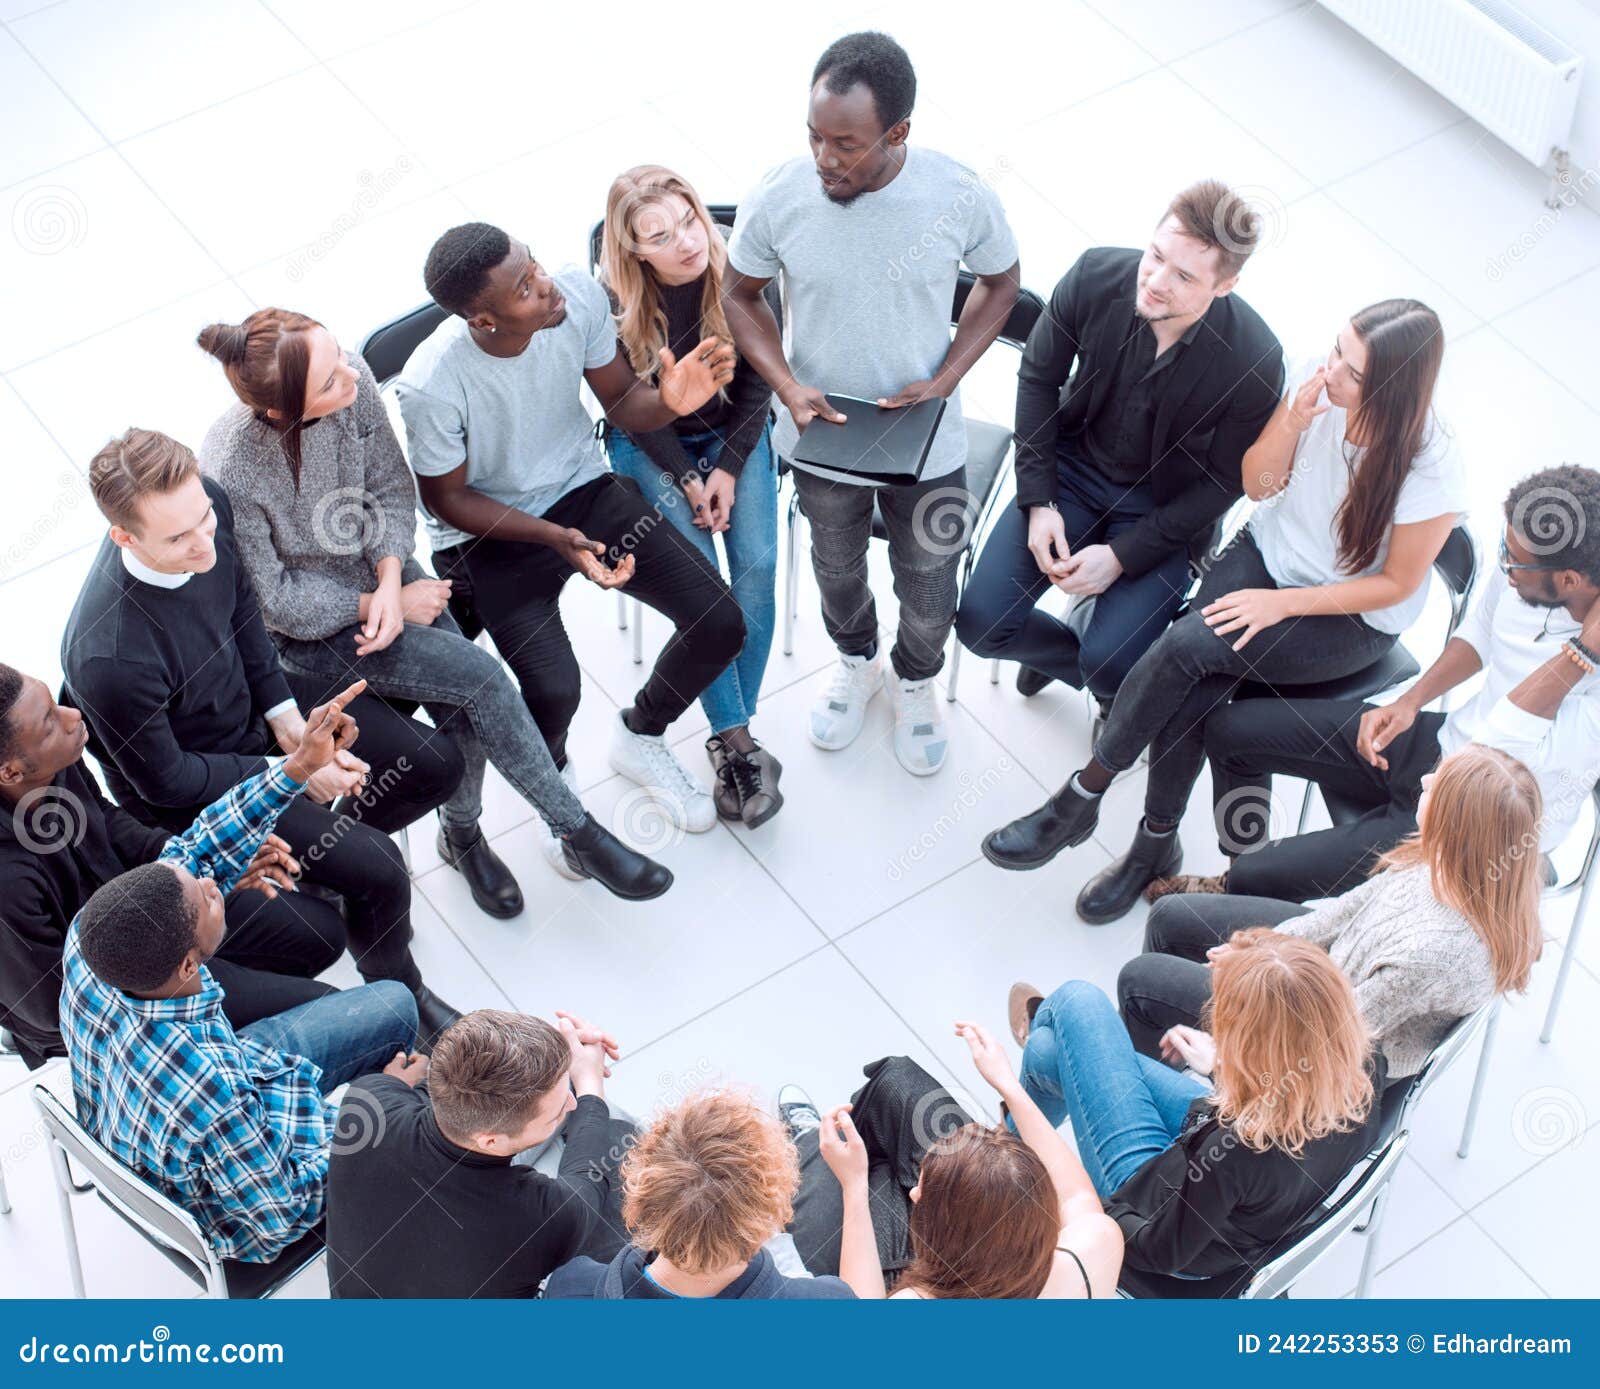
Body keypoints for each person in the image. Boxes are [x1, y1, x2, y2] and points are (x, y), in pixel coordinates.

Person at [983, 301, 1464, 924]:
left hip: (1348, 617)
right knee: (1197, 677)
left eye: (1354, 369)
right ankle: (1153, 843)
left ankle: (1085, 796)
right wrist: (1294, 420)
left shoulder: (1432, 464)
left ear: (1394, 390)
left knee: (1189, 651)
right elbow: (1257, 485)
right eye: (1337, 347)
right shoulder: (1320, 381)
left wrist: (1280, 605)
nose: (1334, 368)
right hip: (1268, 555)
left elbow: (1397, 584)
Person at [197, 308, 673, 908]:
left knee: (465, 714)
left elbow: (393, 490)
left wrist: (394, 577)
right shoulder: (234, 465)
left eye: (341, 353)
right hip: (309, 633)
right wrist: (377, 599)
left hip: (386, 579)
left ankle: (461, 836)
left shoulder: (355, 377)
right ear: (280, 411)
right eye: (328, 381)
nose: (351, 375)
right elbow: (276, 599)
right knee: (480, 677)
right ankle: (574, 829)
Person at [59, 429, 461, 1041]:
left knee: (431, 762)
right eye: (179, 537)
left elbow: (243, 610)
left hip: (256, 718)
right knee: (380, 867)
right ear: (124, 537)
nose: (205, 542)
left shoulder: (205, 507)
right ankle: (398, 985)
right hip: (201, 787)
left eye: (204, 518)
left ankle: (331, 870)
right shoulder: (108, 656)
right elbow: (166, 783)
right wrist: (291, 771)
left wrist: (287, 723)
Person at [724, 31, 1021, 777]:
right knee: (836, 567)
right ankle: (857, 661)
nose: (825, 158)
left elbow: (1002, 282)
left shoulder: (958, 194)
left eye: (846, 144)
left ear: (898, 134)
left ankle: (916, 680)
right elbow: (738, 293)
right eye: (815, 137)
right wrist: (786, 383)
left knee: (928, 582)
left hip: (924, 440)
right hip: (823, 435)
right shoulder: (781, 191)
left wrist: (948, 375)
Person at [397, 221, 746, 838]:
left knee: (720, 620)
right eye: (526, 288)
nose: (548, 286)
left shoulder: (574, 298)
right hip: (492, 531)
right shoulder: (432, 383)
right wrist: (554, 539)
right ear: (484, 320)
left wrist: (668, 402)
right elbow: (448, 499)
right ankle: (556, 786)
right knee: (555, 691)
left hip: (582, 490)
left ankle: (641, 733)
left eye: (534, 266)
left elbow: (620, 401)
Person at [59, 682, 427, 1264]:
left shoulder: (91, 940)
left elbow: (198, 847)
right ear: (187, 962)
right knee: (412, 1088)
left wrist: (298, 766)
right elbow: (286, 1213)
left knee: (390, 1008)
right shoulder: (211, 1094)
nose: (213, 883)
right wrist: (380, 1102)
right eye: (206, 900)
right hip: (249, 1205)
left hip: (176, 1112)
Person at [1155, 463, 1600, 904]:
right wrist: (1408, 703)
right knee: (1231, 731)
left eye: (1513, 559)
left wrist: (1583, 652)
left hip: (1478, 822)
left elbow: (1511, 748)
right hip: (1442, 746)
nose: (1503, 564)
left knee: (1265, 872)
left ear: (1569, 580)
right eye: (1504, 547)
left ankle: (1245, 890)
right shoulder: (1526, 574)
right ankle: (1246, 884)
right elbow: (1479, 636)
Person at [955, 181, 1284, 716]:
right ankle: (1079, 665)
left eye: (1183, 276)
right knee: (980, 621)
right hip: (1070, 474)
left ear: (1225, 286)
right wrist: (1039, 501)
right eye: (1155, 256)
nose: (1155, 282)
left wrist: (1122, 557)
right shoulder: (1094, 275)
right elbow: (1037, 381)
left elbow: (1225, 483)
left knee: (1114, 662)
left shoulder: (1256, 359)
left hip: (1163, 508)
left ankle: (1109, 680)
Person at [1116, 745, 1545, 1080]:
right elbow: (1342, 913)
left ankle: (1159, 1094)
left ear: (1456, 826)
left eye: (1439, 786)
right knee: (1169, 917)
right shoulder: (1444, 863)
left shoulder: (1437, 955)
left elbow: (1326, 1037)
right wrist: (1259, 949)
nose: (1426, 779)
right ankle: (1159, 1059)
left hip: (1325, 1043)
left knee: (1140, 982)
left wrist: (1228, 1046)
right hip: (1326, 978)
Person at [0, 663, 339, 1068]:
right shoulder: (8, 883)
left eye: (57, 707)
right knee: (329, 1010)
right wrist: (184, 946)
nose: (74, 717)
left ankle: (238, 1012)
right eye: (51, 723)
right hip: (122, 993)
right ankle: (229, 1062)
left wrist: (200, 873)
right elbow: (49, 1005)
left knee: (323, 934)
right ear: (9, 771)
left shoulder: (48, 764)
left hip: (149, 910)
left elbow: (107, 822)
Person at [1012, 930, 1385, 1282]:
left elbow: (1160, 1252)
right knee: (1047, 1053)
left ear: (1252, 1050)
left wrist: (1092, 1205)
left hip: (1157, 1217)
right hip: (1244, 1173)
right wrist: (1222, 1069)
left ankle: (1003, 1159)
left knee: (1076, 1003)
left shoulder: (1235, 1154)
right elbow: (1275, 1118)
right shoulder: (1368, 1064)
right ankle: (1009, 1142)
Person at [600, 166, 783, 827]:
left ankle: (733, 731)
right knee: (704, 586)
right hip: (654, 444)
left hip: (734, 435)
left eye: (690, 222)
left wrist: (729, 469)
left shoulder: (742, 271)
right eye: (659, 235)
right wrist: (687, 477)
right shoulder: (612, 306)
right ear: (633, 251)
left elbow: (763, 379)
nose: (686, 243)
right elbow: (627, 408)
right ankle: (738, 744)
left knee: (756, 565)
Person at [781, 1029, 1123, 1299]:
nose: (915, 1191)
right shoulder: (1094, 1249)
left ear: (944, 1239)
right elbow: (1075, 1197)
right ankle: (846, 1153)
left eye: (922, 1190)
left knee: (856, 1177)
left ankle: (807, 1144)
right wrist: (1009, 1086)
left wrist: (853, 1185)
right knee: (898, 1078)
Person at [327, 1009, 632, 1298]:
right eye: (556, 1111)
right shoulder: (542, 1216)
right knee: (620, 1136)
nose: (571, 1103)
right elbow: (587, 1180)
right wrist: (589, 1081)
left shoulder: (368, 1100)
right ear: (489, 1141)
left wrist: (541, 1052)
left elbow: (399, 1086)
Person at [545, 1088, 855, 1300]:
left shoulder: (573, 1286)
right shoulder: (827, 1300)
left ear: (639, 1203)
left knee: (614, 1138)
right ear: (772, 1221)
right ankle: (809, 1138)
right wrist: (855, 1184)